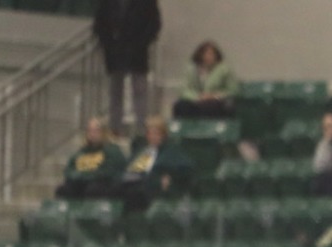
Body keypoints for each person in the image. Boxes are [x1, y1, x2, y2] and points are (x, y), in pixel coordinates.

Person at [93, 0, 161, 134]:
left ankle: (141, 129)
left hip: (138, 51)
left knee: (140, 90)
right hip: (115, 51)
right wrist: (107, 44)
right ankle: (115, 128)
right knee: (115, 92)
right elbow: (100, 23)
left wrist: (142, 42)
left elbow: (154, 24)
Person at [117, 113, 193, 210]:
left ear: (163, 135)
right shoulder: (142, 151)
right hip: (133, 187)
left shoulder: (171, 151)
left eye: (156, 133)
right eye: (150, 133)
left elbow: (184, 169)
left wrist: (170, 178)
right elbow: (129, 170)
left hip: (152, 192)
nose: (153, 137)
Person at [57, 118, 128, 201]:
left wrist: (86, 176)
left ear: (104, 132)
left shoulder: (112, 151)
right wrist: (77, 176)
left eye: (96, 131)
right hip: (82, 183)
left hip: (103, 185)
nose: (92, 134)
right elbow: (69, 170)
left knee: (93, 189)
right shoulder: (81, 152)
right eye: (89, 131)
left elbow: (108, 172)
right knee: (63, 190)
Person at [172, 40, 236, 120]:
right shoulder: (191, 69)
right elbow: (184, 90)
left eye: (211, 54)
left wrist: (214, 96)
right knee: (181, 106)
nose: (208, 57)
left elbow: (233, 90)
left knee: (210, 107)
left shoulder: (224, 70)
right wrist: (198, 97)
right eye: (206, 54)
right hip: (195, 99)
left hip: (215, 101)